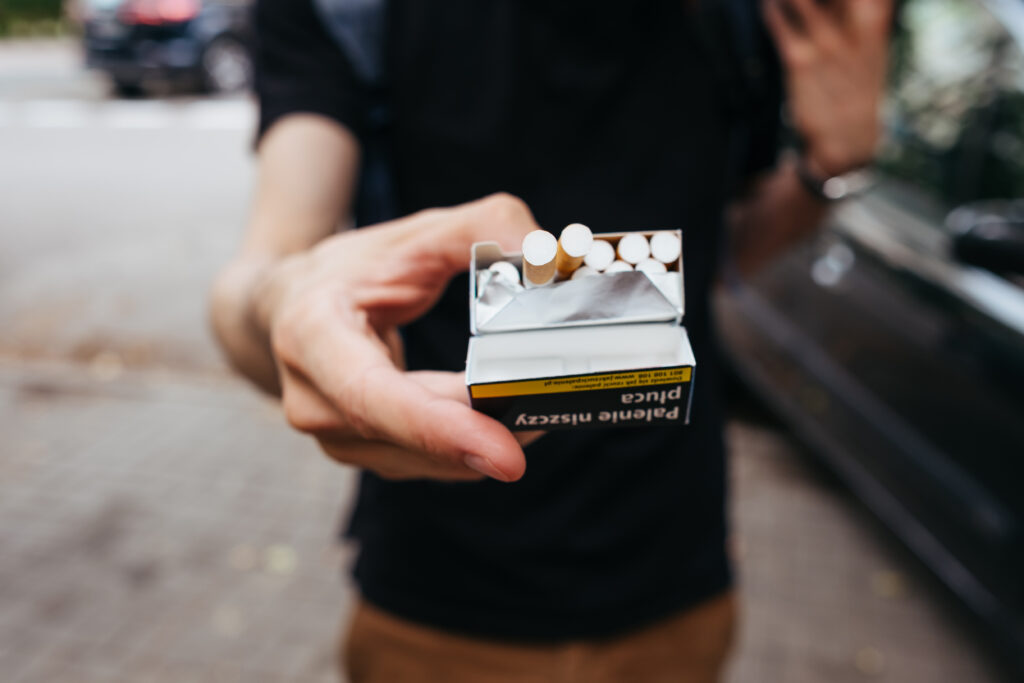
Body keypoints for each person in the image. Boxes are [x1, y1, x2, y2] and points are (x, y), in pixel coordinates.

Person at [210, 0, 892, 680]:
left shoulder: (753, 18)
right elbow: (264, 269)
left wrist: (824, 169)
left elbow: (719, 257)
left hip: (678, 584)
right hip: (440, 601)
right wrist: (284, 306)